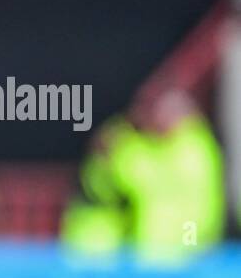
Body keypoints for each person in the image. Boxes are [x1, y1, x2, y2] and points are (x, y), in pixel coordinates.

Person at [62, 88, 226, 263]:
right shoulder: (199, 148)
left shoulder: (189, 150)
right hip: (176, 250)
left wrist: (120, 142)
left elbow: (140, 176)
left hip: (171, 251)